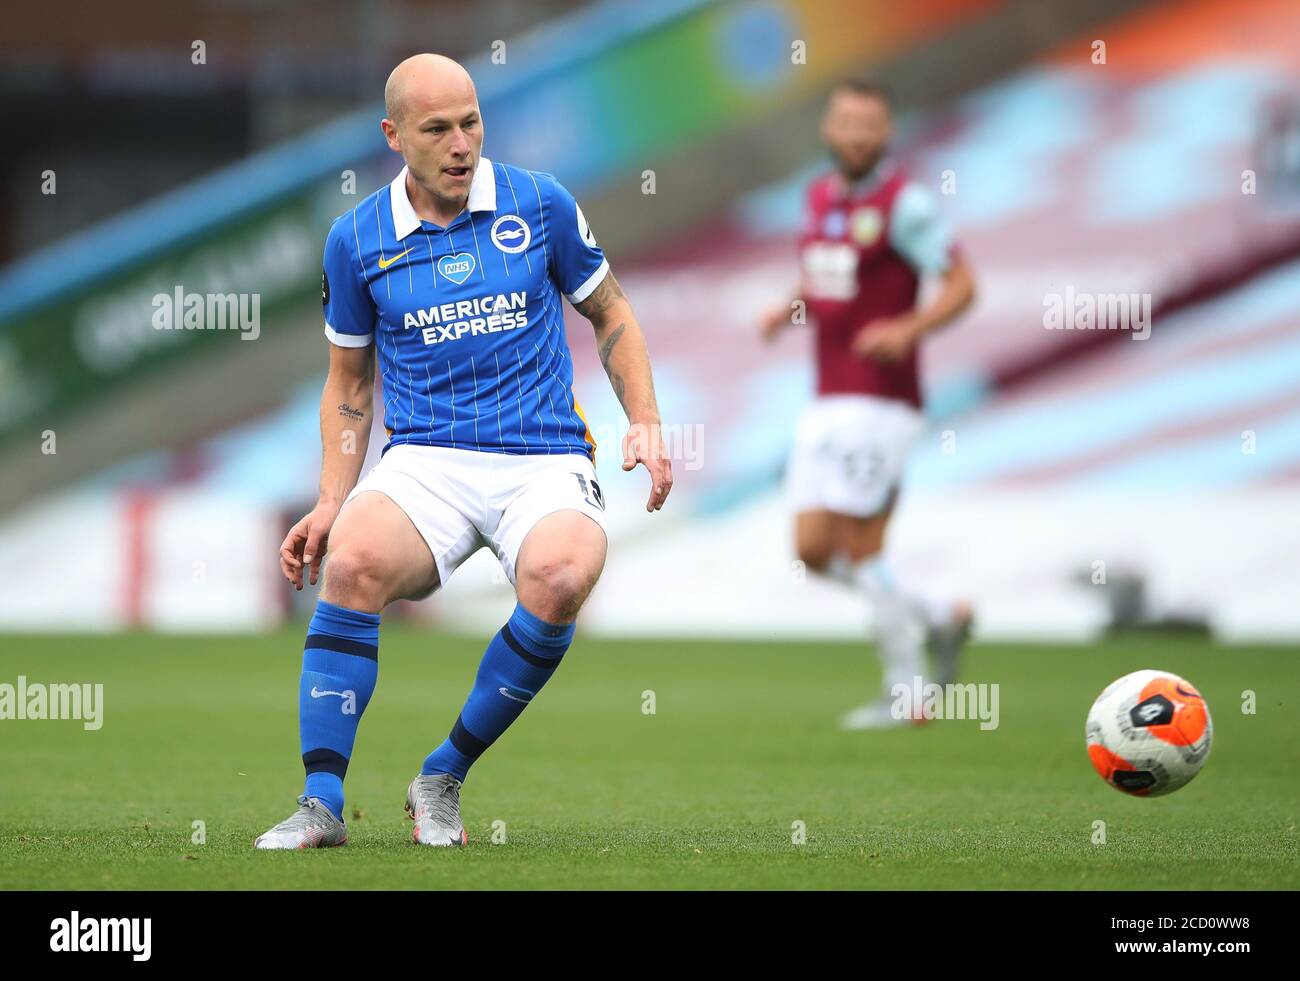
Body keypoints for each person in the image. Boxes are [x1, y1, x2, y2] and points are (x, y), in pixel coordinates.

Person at [256, 54, 672, 848]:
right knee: (348, 563)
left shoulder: (538, 204)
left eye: (471, 122)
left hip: (542, 453)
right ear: (393, 136)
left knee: (562, 573)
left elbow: (612, 314)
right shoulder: (357, 239)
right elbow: (349, 382)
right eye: (437, 128)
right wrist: (331, 499)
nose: (460, 144)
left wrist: (645, 419)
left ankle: (442, 775)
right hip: (426, 460)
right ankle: (320, 802)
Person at [759, 78, 974, 729]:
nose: (857, 134)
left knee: (862, 546)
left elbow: (964, 283)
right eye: (847, 122)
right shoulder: (818, 195)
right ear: (829, 128)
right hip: (826, 395)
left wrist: (908, 328)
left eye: (870, 125)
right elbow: (826, 276)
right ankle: (938, 613)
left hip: (883, 400)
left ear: (886, 132)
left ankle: (908, 694)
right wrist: (787, 306)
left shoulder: (904, 204)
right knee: (812, 550)